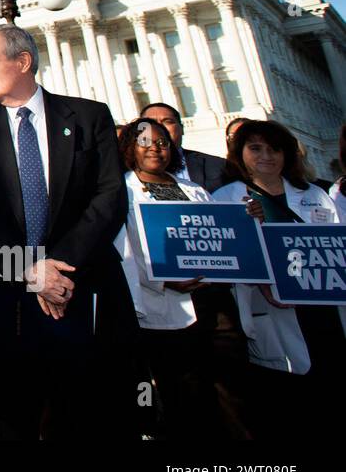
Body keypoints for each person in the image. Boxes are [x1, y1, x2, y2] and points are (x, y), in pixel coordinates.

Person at [0, 24, 135, 439]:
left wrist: (56, 267)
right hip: (9, 298)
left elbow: (109, 198)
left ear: (23, 61)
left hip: (81, 288)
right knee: (12, 416)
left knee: (86, 415)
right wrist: (30, 270)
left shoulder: (89, 116)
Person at [212, 119, 345, 438]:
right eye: (255, 148)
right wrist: (263, 283)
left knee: (334, 385)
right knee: (289, 399)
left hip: (323, 308)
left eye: (274, 149)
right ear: (239, 154)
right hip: (272, 308)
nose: (266, 156)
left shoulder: (314, 193)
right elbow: (228, 256)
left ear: (287, 154)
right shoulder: (226, 197)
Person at [118, 117, 224, 439]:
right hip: (157, 308)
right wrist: (163, 281)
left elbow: (220, 237)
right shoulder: (122, 191)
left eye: (163, 142)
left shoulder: (195, 191)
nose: (156, 149)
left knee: (211, 392)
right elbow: (124, 250)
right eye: (145, 141)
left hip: (206, 305)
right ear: (130, 148)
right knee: (171, 392)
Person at [139, 102, 227, 192]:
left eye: (167, 121)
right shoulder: (127, 172)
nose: (159, 127)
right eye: (151, 123)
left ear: (182, 129)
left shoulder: (219, 166)